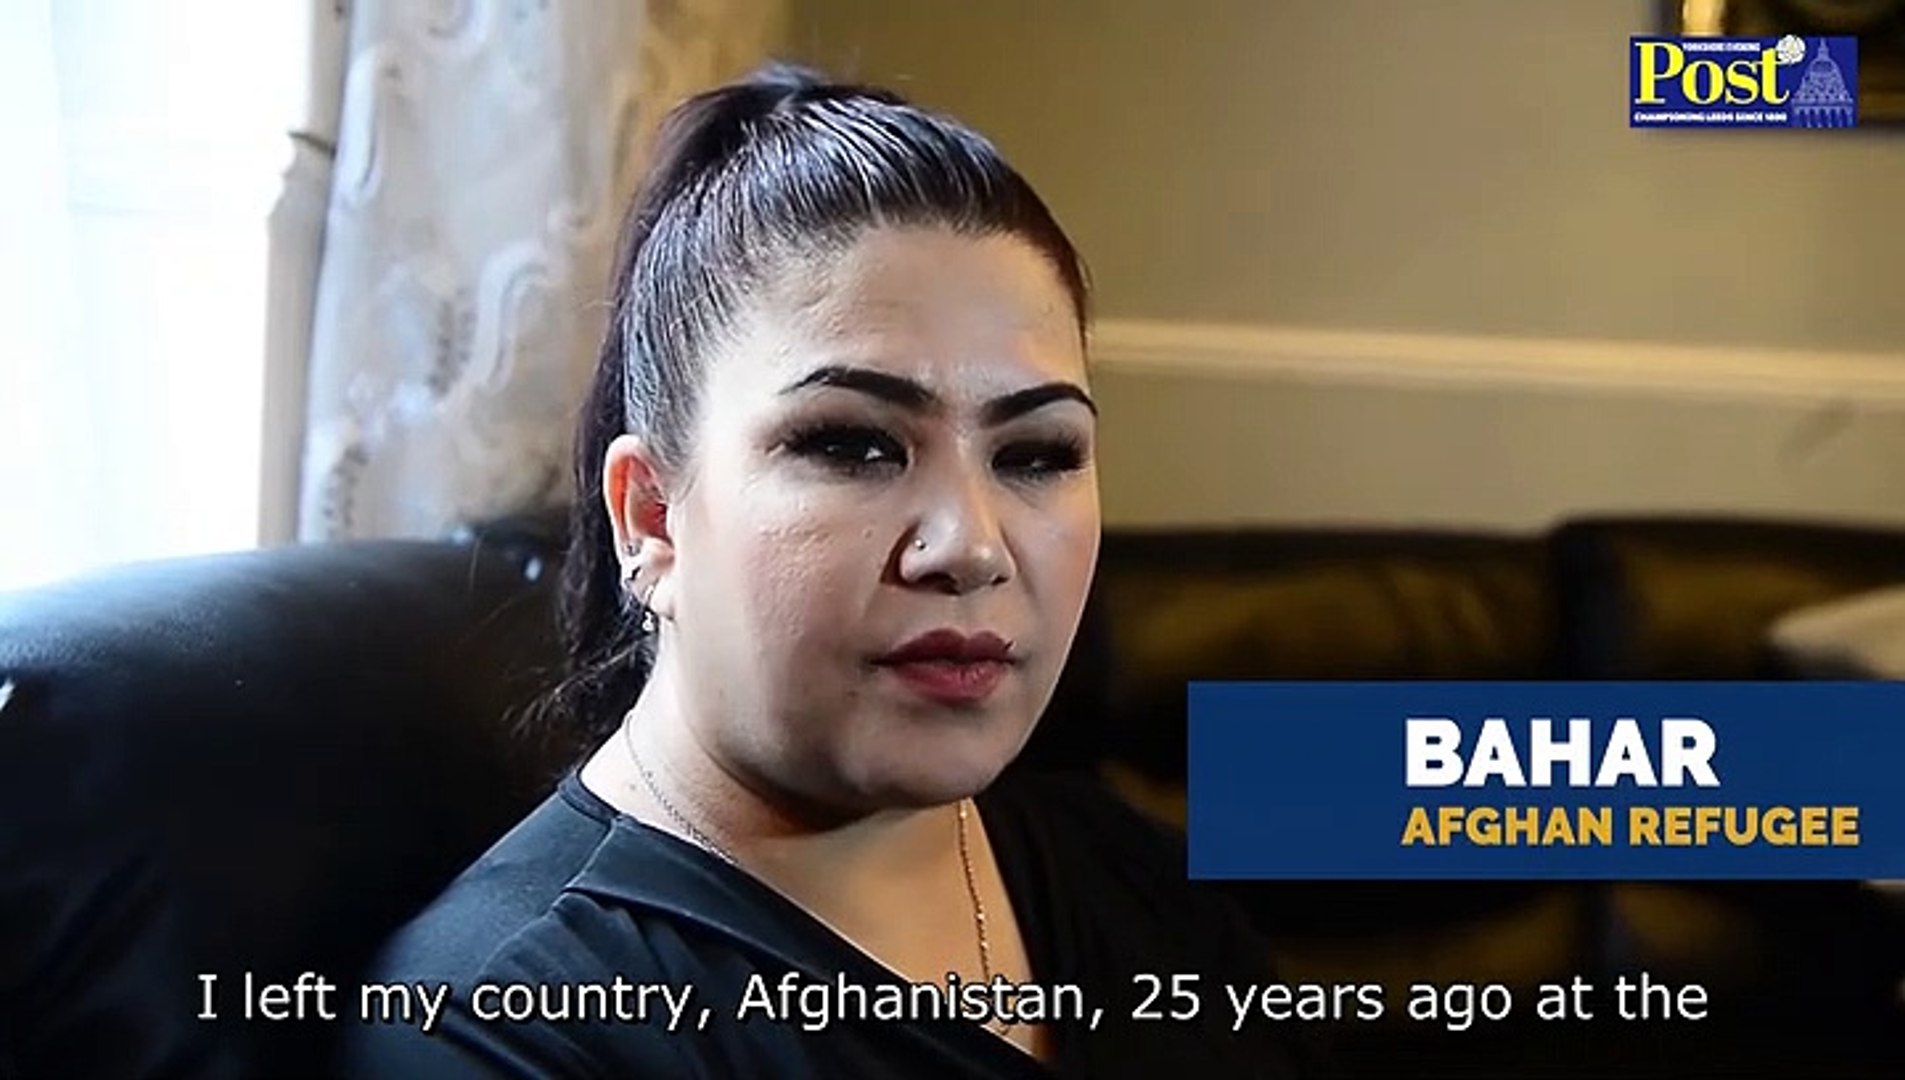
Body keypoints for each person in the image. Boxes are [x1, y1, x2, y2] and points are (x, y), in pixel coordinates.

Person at [340, 62, 1307, 1079]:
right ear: (653, 517)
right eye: (852, 445)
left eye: (1036, 454)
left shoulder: (1120, 866)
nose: (971, 546)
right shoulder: (502, 1028)